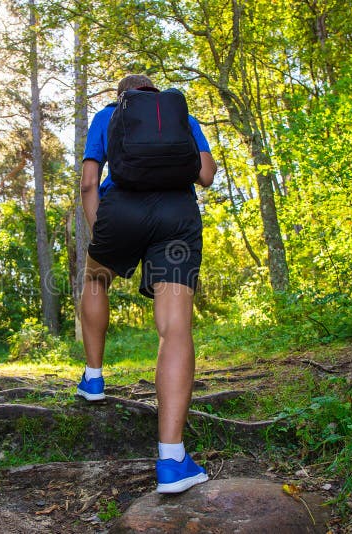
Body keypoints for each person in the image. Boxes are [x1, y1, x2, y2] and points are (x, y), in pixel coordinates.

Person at [76, 74, 217, 494]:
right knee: (175, 327)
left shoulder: (106, 115)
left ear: (123, 96)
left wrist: (101, 229)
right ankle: (172, 460)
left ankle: (94, 378)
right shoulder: (182, 116)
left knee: (95, 280)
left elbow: (88, 181)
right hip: (177, 215)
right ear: (157, 96)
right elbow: (206, 175)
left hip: (121, 209)